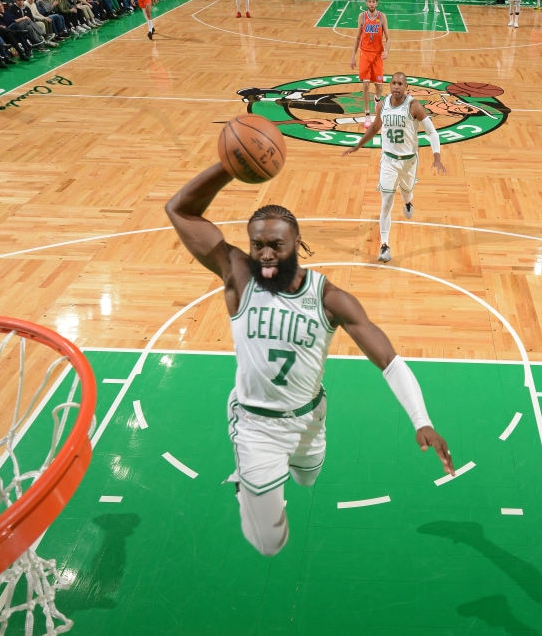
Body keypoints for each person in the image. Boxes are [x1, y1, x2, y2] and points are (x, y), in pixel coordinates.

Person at [164, 162, 455, 558]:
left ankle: (268, 478)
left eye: (276, 245)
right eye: (257, 244)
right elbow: (179, 210)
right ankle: (246, 485)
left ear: (296, 244)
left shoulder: (328, 298)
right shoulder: (238, 277)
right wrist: (228, 166)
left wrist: (423, 421)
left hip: (309, 417)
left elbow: (387, 358)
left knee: (307, 479)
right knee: (269, 544)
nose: (265, 254)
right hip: (254, 423)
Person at [342, 71, 447, 263]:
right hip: (388, 160)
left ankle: (408, 202)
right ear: (390, 86)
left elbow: (431, 132)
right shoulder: (382, 105)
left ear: (406, 87)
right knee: (386, 202)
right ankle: (384, 245)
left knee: (407, 191)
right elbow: (374, 128)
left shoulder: (414, 106)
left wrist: (437, 157)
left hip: (409, 161)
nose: (396, 87)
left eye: (400, 84)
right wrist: (358, 145)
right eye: (393, 83)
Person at [349, 0, 388, 128]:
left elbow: (388, 38)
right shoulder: (362, 16)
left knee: (379, 86)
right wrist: (353, 56)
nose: (371, 4)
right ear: (366, 3)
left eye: (373, 2)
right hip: (365, 54)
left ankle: (377, 99)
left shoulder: (382, 17)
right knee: (365, 85)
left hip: (377, 55)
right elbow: (358, 37)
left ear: (377, 3)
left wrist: (387, 50)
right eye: (369, 1)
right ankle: (367, 115)